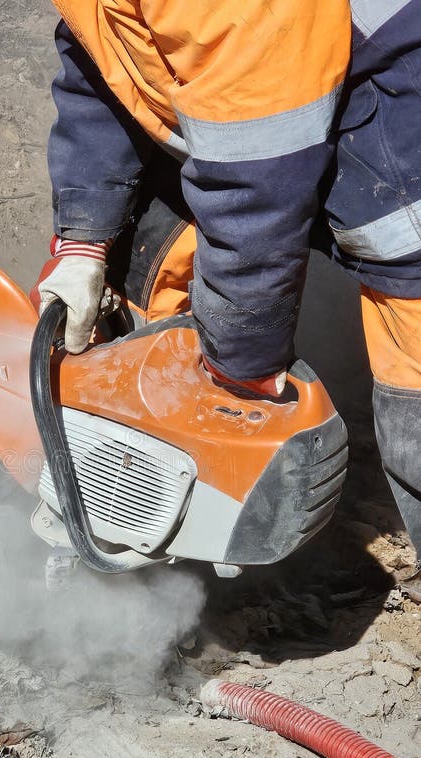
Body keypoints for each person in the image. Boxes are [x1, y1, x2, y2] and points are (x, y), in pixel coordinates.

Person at [30, 0, 421, 561]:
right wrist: (84, 243)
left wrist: (242, 369)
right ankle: (139, 489)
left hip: (398, 151)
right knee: (146, 242)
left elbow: (258, 188)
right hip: (270, 117)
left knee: (416, 417)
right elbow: (105, 59)